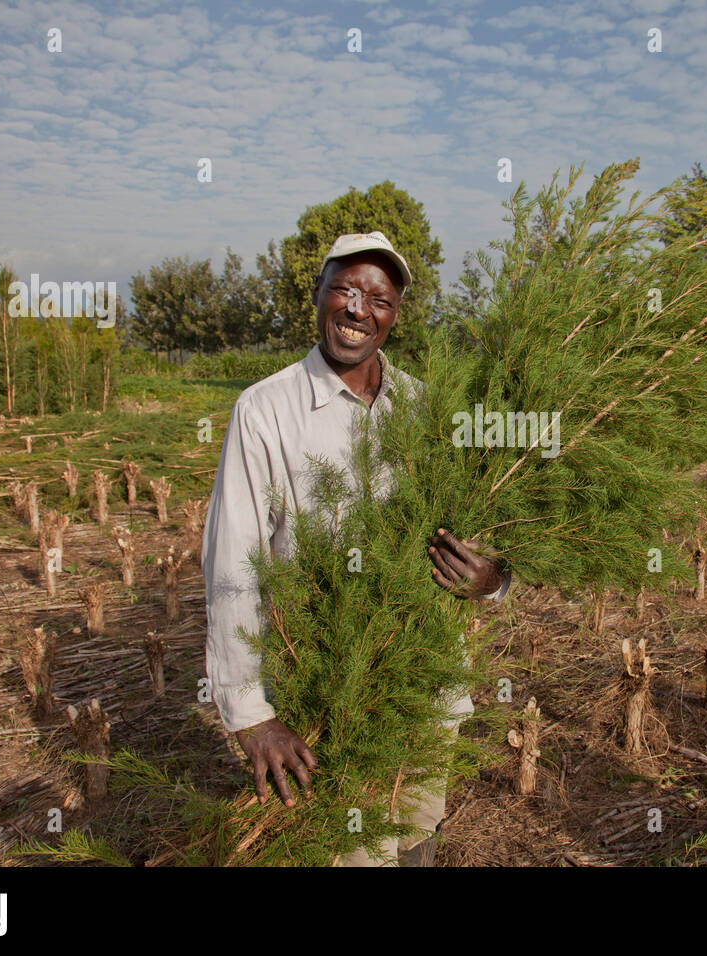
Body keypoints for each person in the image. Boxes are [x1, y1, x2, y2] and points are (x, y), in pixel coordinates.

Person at [200, 230, 509, 866]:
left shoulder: (426, 408)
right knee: (348, 853)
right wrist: (251, 713)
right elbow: (232, 564)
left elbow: (474, 526)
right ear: (317, 295)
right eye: (344, 288)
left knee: (419, 834)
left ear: (395, 315)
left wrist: (492, 580)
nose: (357, 309)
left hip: (424, 682)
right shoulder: (265, 410)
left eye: (379, 298)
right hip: (324, 696)